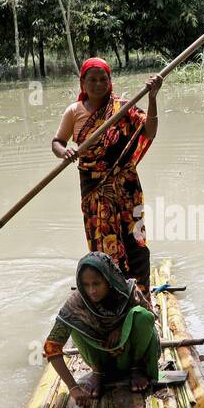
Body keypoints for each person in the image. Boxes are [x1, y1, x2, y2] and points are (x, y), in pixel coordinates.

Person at [52, 57, 161, 296]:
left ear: (110, 81)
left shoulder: (123, 107)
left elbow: (150, 131)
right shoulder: (74, 111)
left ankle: (140, 296)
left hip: (126, 187)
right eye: (92, 79)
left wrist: (152, 99)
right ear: (83, 83)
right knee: (104, 247)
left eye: (103, 79)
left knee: (136, 244)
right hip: (94, 191)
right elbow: (57, 142)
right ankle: (111, 298)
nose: (98, 84)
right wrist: (65, 151)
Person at [43, 251, 161, 405]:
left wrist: (122, 327)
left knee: (143, 316)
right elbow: (51, 347)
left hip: (129, 353)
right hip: (100, 356)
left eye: (96, 284)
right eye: (86, 285)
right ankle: (97, 372)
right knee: (74, 322)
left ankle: (136, 368)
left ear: (109, 280)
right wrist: (73, 387)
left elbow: (151, 318)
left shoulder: (128, 291)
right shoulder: (76, 303)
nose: (91, 291)